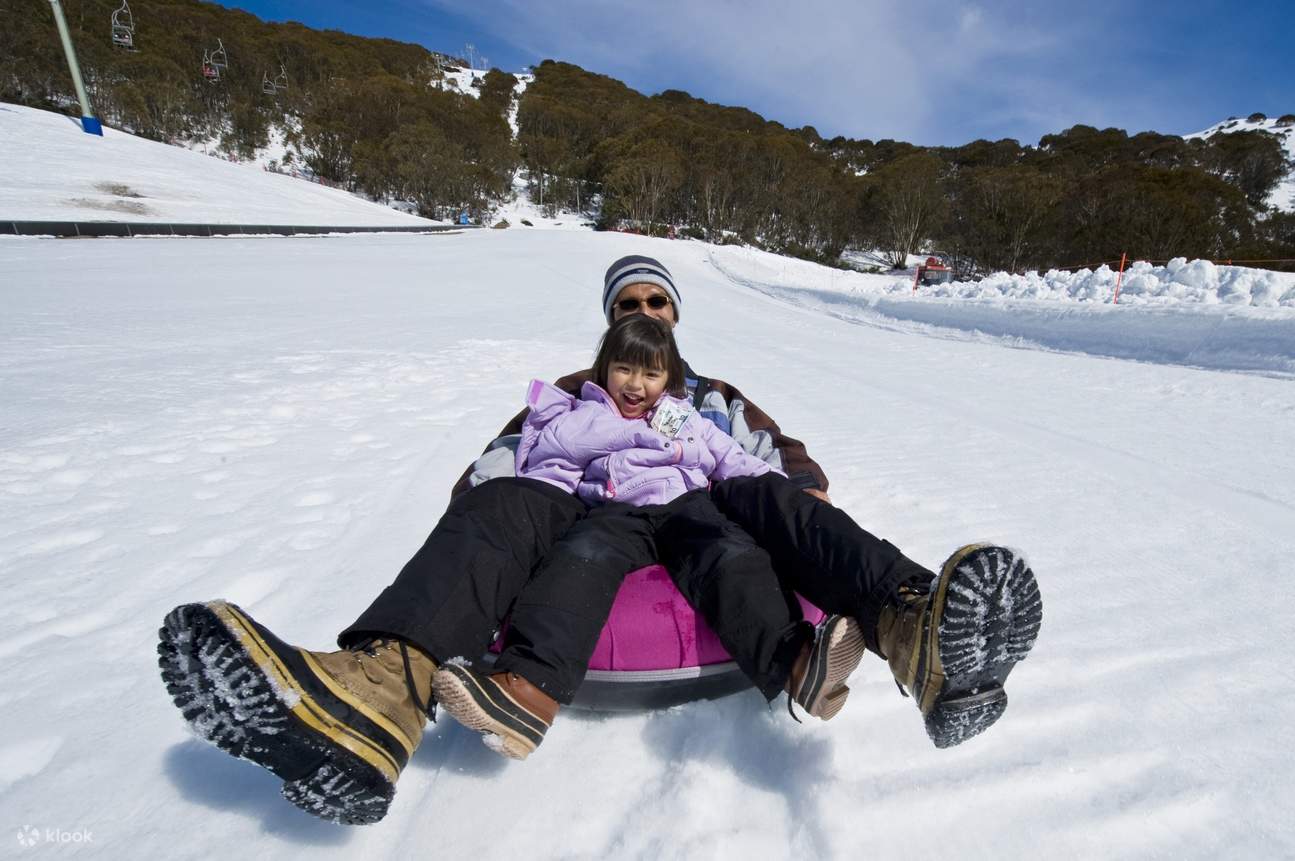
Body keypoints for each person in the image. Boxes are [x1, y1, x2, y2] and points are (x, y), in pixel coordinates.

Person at [157, 254, 836, 825]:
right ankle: (379, 693)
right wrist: (486, 506)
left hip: (695, 518)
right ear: (610, 315)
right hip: (590, 519)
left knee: (734, 528)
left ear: (674, 312)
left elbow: (774, 455)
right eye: (629, 299)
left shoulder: (714, 396)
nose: (644, 308)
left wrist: (797, 502)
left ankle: (792, 649)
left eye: (656, 298)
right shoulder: (577, 391)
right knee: (510, 503)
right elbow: (506, 455)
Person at [432, 315, 1042, 760]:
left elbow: (726, 455)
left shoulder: (680, 412)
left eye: (650, 372)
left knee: (727, 555)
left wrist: (785, 495)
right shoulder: (578, 410)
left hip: (685, 503)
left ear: (669, 375)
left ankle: (806, 660)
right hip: (611, 512)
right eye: (624, 369)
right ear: (604, 368)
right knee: (580, 559)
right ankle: (528, 691)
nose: (635, 384)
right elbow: (544, 467)